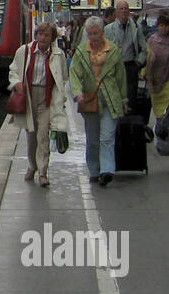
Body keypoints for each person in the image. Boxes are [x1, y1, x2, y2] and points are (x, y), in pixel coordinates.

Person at [69, 16, 127, 187]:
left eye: (96, 33)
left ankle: (107, 170)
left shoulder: (113, 50)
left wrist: (124, 99)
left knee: (107, 136)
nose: (93, 37)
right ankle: (94, 170)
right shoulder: (81, 51)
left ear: (102, 32)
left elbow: (120, 76)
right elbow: (74, 73)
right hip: (90, 98)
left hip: (111, 98)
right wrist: (77, 92)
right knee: (93, 138)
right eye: (90, 33)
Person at [10, 22, 70, 187]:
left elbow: (63, 77)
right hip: (29, 97)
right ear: (36, 35)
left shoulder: (58, 55)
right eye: (41, 34)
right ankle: (32, 166)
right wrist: (16, 83)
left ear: (52, 38)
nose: (43, 38)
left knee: (43, 135)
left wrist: (61, 97)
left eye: (47, 35)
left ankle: (43, 172)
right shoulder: (25, 51)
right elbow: (13, 70)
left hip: (46, 98)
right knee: (31, 137)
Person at [104, 0, 147, 103]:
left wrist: (139, 62)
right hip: (114, 66)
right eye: (121, 9)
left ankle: (128, 117)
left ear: (129, 11)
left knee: (130, 97)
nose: (124, 11)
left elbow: (145, 48)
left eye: (126, 8)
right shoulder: (108, 29)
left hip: (130, 66)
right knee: (115, 96)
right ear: (116, 12)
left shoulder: (136, 28)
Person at [144, 13, 169, 120]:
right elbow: (147, 58)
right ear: (157, 26)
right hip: (155, 79)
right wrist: (145, 73)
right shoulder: (152, 40)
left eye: (166, 25)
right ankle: (161, 128)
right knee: (159, 111)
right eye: (161, 25)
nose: (163, 28)